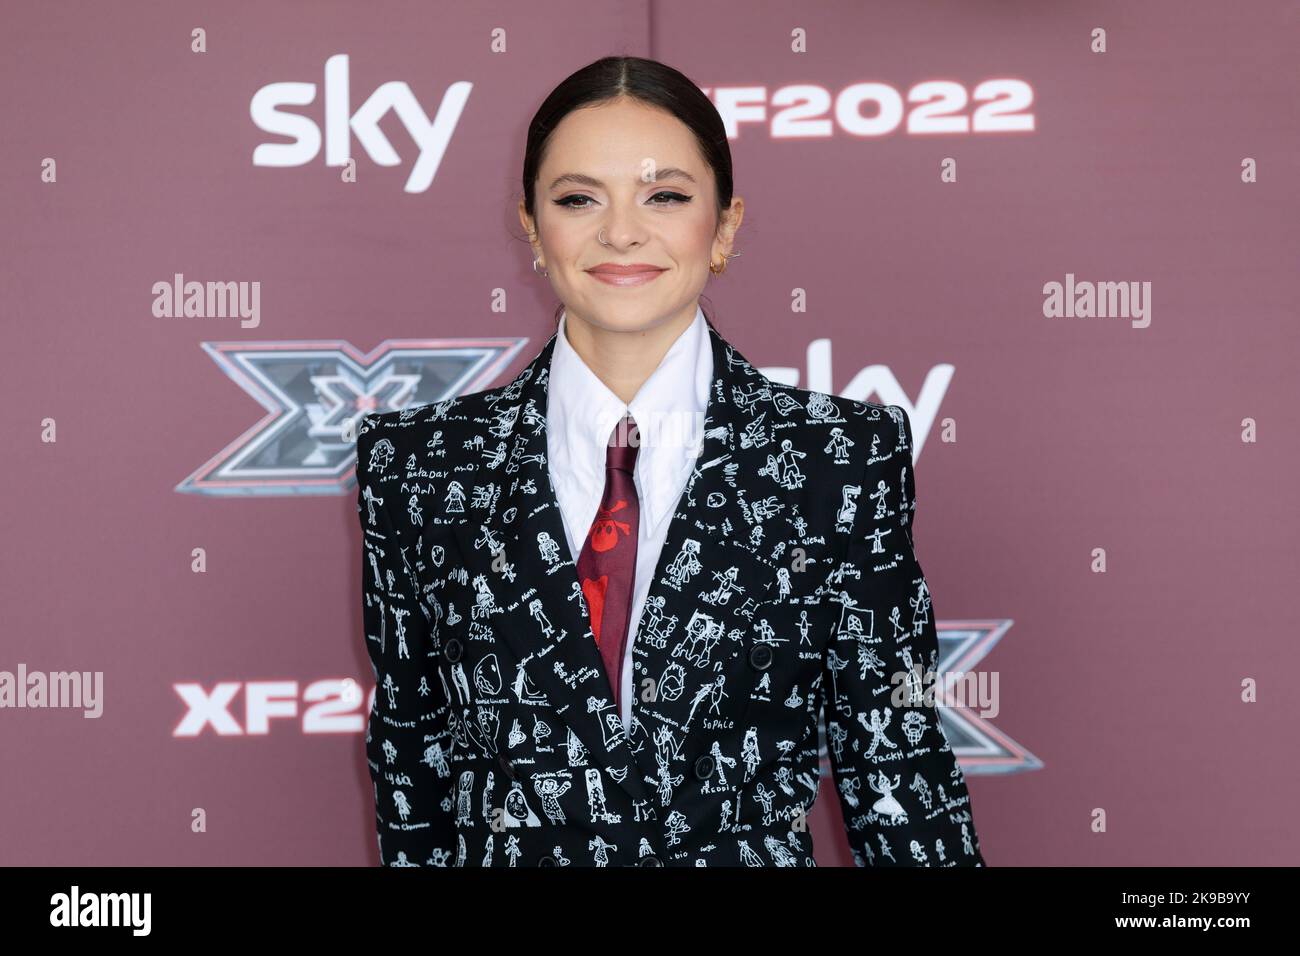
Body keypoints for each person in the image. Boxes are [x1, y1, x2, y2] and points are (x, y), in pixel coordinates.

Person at [356, 55, 985, 867]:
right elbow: (413, 759)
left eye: (666, 196)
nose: (621, 232)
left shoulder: (839, 462)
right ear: (531, 227)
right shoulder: (417, 467)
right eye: (579, 198)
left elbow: (896, 765)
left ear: (723, 226)